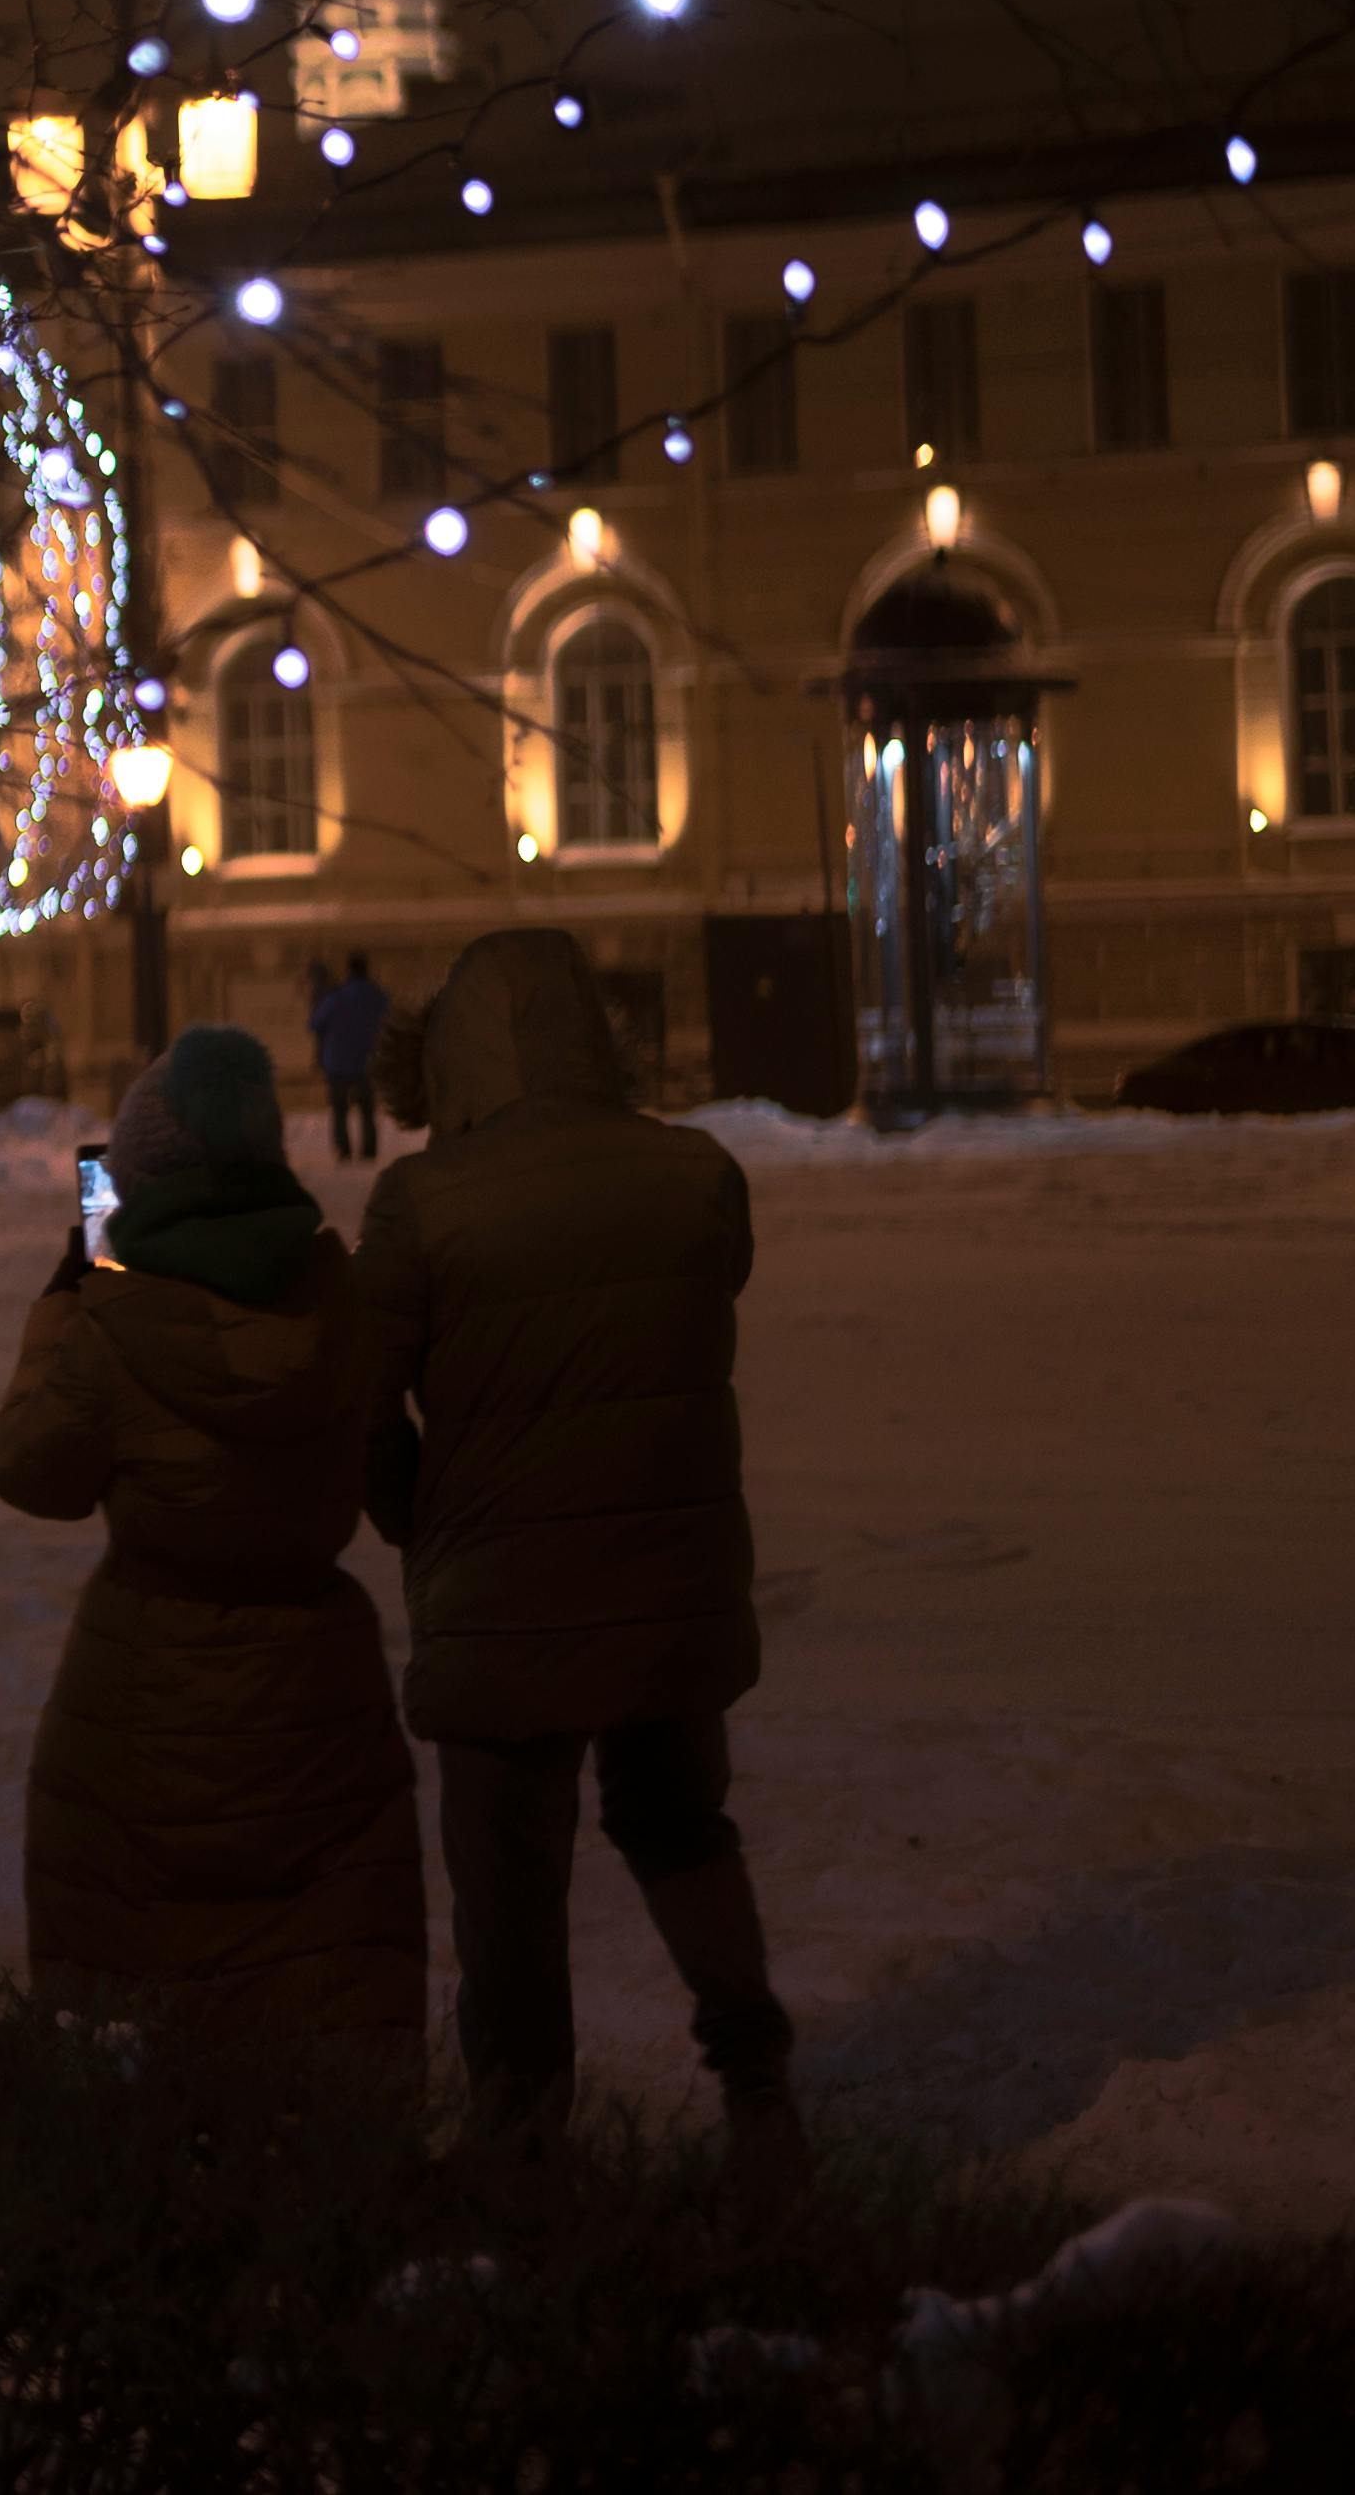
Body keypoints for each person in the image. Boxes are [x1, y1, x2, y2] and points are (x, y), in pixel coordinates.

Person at [361, 928, 799, 2178]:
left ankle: (519, 2145)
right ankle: (756, 2083)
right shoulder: (694, 1176)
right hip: (667, 1577)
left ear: (452, 1059)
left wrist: (414, 1515)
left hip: (500, 1599)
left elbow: (360, 1401)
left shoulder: (420, 1205)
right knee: (679, 1825)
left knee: (508, 1880)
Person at [0, 1026, 424, 2060]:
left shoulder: (110, 1325)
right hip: (318, 1691)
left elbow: (27, 1472)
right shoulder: (339, 1301)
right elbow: (384, 1476)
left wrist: (59, 1308)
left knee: (142, 2005)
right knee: (320, 1990)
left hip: (145, 1690)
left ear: (140, 1183)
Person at [309, 950, 393, 1162]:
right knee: (367, 1109)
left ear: (348, 970)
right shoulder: (378, 997)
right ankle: (369, 1149)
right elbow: (393, 1021)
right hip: (367, 1061)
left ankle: (343, 1149)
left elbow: (315, 1023)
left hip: (337, 1062)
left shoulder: (335, 997)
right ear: (367, 969)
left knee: (339, 1110)